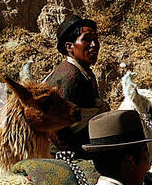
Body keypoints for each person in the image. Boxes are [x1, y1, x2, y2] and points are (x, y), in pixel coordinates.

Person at [45, 14, 108, 157]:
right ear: (69, 47)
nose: (94, 45)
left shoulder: (84, 73)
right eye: (87, 39)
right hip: (64, 153)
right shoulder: (69, 76)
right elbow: (57, 125)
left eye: (95, 39)